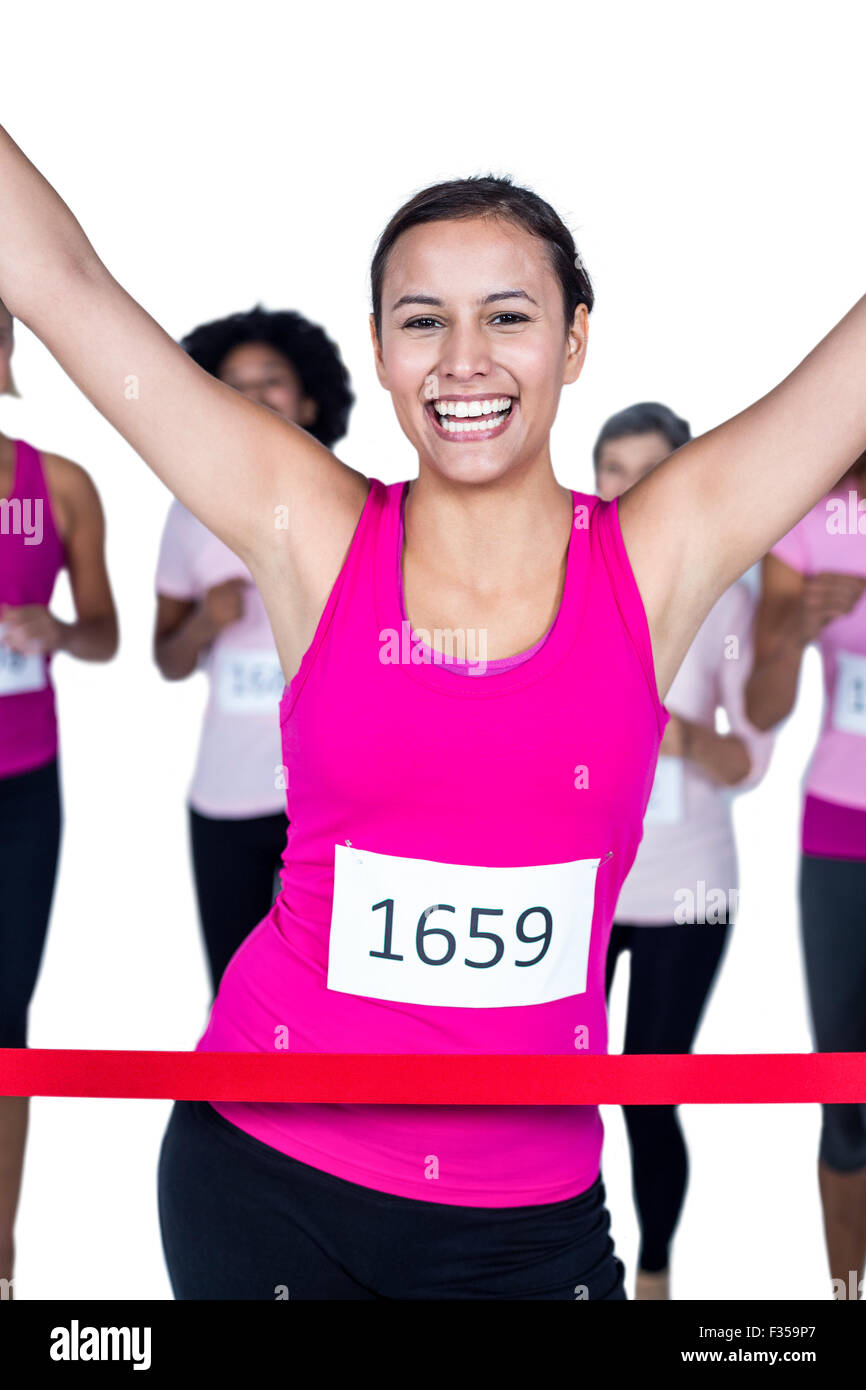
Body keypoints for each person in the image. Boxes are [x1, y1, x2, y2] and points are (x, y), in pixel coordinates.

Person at [1, 128, 865, 1300]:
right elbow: (63, 283)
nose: (464, 361)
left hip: (524, 1218)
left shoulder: (660, 548)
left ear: (573, 340)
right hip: (264, 1173)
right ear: (380, 349)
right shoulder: (305, 522)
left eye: (507, 316)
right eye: (422, 321)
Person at [595, 402, 774, 1300]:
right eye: (611, 469)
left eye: (650, 470)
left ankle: (654, 1280)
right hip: (576, 889)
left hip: (686, 892)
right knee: (551, 1094)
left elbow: (747, 760)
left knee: (646, 1091)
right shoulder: (561, 583)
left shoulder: (731, 600)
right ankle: (569, 1270)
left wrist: (675, 735)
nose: (627, 490)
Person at [154, 306, 353, 993]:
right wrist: (206, 623)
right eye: (232, 386)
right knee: (238, 991)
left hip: (339, 795)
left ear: (307, 396)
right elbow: (167, 661)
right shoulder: (189, 514)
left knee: (336, 993)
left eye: (271, 380)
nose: (254, 398)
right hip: (229, 795)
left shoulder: (357, 504)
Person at [0, 296, 118, 1295]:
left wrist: (53, 628)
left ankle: (1, 1261)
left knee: (2, 1022)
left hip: (22, 787)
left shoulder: (59, 487)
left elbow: (107, 632)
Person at [745, 449, 866, 1300]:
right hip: (841, 826)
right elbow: (762, 704)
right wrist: (795, 627)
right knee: (846, 1091)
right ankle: (848, 1299)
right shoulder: (816, 518)